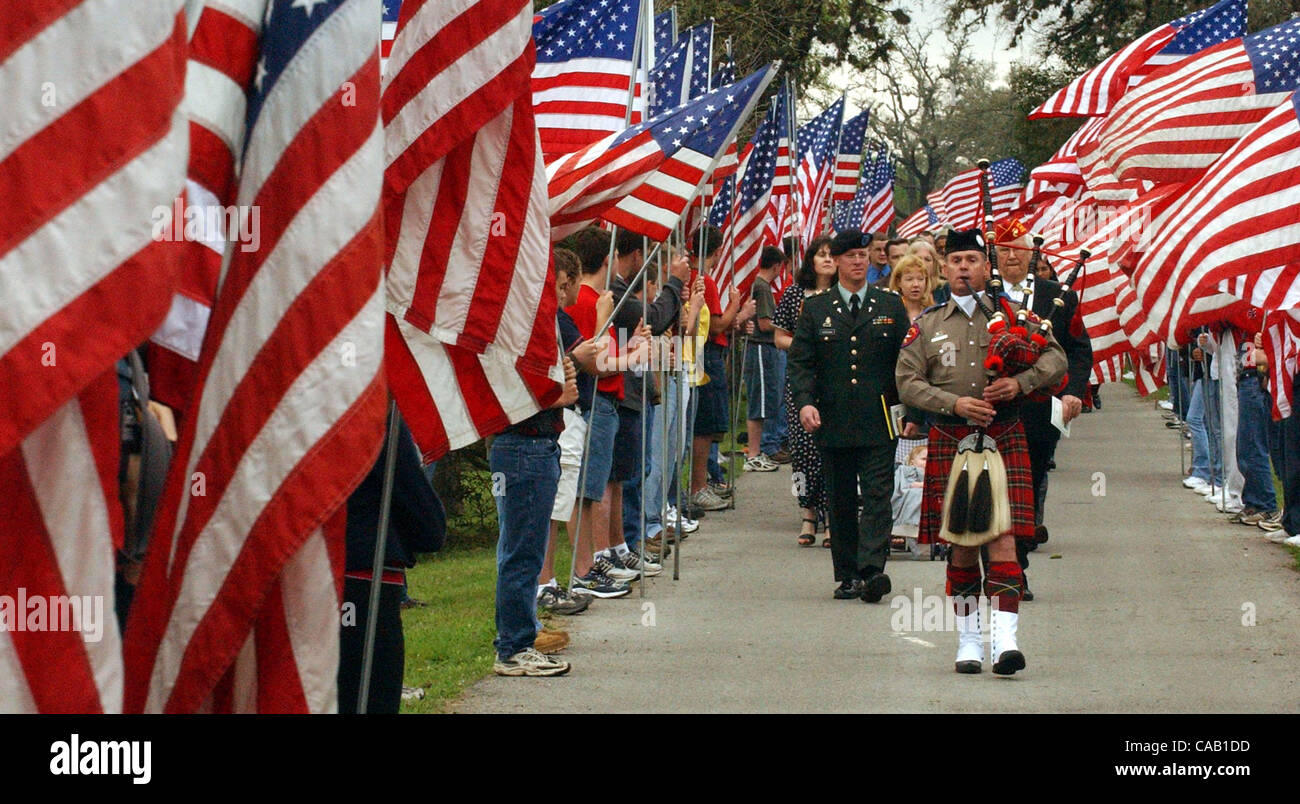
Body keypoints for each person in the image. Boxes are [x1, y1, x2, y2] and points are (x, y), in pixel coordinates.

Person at [896, 228, 1067, 676]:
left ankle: (1005, 642)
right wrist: (952, 404)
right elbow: (907, 380)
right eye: (956, 261)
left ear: (985, 267)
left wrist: (1020, 383)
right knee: (963, 545)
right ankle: (970, 641)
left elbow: (1056, 359)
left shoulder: (1012, 317)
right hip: (952, 438)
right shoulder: (928, 324)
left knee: (1003, 536)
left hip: (1003, 433)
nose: (965, 268)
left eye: (973, 259)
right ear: (944, 268)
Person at [788, 229, 912, 602]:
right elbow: (801, 362)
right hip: (834, 417)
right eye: (851, 256)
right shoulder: (817, 307)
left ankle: (872, 569)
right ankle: (847, 573)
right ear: (837, 262)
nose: (858, 262)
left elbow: (907, 362)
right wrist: (806, 402)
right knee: (840, 498)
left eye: (863, 255)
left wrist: (910, 408)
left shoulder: (889, 304)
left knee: (877, 493)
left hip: (879, 416)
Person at [993, 220, 1091, 583]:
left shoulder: (1057, 295)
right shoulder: (982, 294)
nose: (1011, 256)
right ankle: (994, 565)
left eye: (1018, 249)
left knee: (1027, 486)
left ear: (1031, 253)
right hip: (990, 407)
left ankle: (1017, 569)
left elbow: (1079, 350)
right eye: (1003, 250)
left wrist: (1072, 392)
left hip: (1039, 408)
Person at [339, 418, 446, 708]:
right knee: (371, 697)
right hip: (366, 575)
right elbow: (429, 527)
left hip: (301, 578)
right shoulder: (375, 418)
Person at [774, 236, 836, 548]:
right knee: (802, 451)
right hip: (802, 382)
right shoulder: (795, 294)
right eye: (821, 254)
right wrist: (805, 345)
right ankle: (808, 513)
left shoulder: (842, 295)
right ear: (811, 260)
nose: (827, 260)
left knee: (831, 449)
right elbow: (779, 337)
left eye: (831, 255)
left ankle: (831, 515)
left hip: (835, 383)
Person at [689, 226, 755, 512]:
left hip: (698, 354)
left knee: (708, 423)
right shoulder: (705, 282)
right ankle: (698, 486)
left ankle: (706, 480)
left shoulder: (693, 278)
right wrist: (737, 310)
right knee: (706, 425)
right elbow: (716, 324)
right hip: (707, 355)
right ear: (717, 252)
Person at [744, 246, 787, 472]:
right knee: (758, 402)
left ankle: (757, 451)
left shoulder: (762, 286)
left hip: (766, 349)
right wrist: (785, 324)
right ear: (777, 266)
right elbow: (764, 323)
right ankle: (753, 453)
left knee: (766, 401)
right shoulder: (761, 287)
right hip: (761, 347)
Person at [890, 444, 927, 558]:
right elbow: (908, 484)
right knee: (916, 495)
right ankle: (912, 535)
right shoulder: (909, 470)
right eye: (924, 459)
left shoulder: (933, 472)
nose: (927, 462)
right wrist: (924, 485)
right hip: (909, 495)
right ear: (912, 462)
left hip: (927, 497)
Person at [887, 254, 936, 323]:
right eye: (909, 279)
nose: (916, 284)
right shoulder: (890, 312)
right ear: (898, 282)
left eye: (920, 279)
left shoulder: (934, 312)